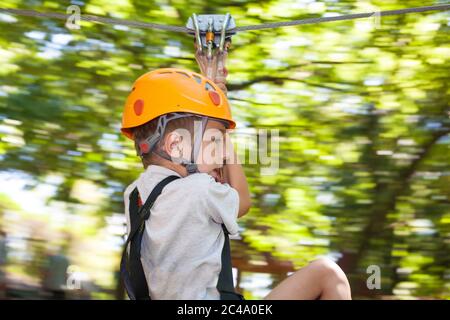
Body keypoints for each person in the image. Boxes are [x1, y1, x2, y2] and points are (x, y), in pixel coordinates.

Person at [120, 68, 351, 300]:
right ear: (176, 146)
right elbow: (243, 201)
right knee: (327, 273)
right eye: (216, 141)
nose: (222, 155)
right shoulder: (199, 189)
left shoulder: (134, 196)